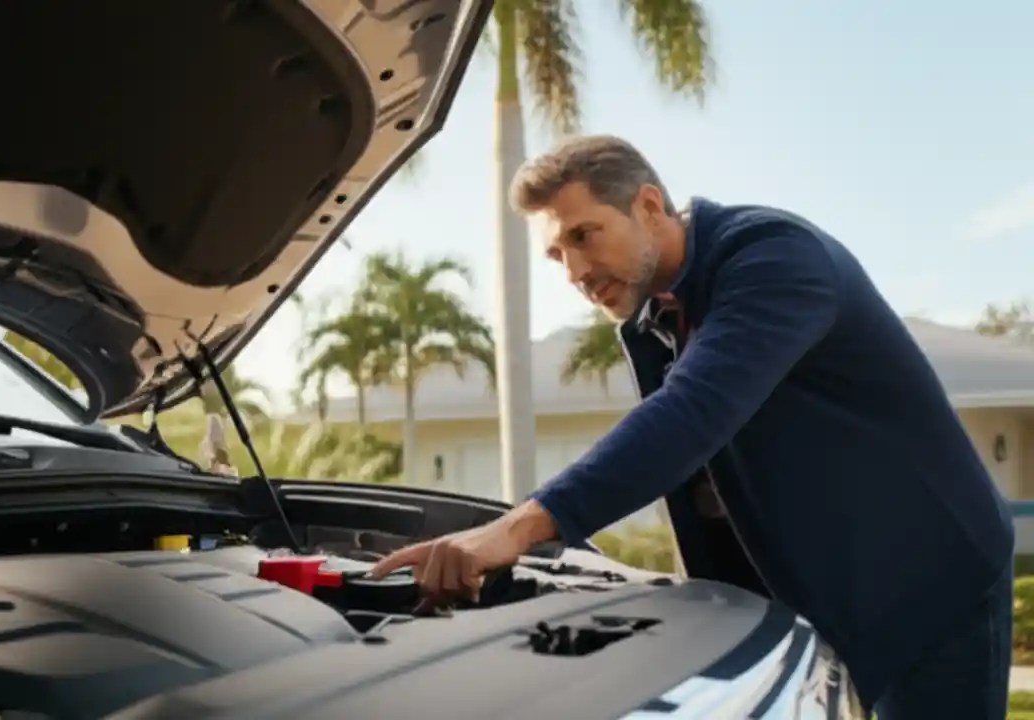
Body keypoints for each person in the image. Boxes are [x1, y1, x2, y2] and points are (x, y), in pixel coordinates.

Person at [368, 134, 1015, 719]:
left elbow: (688, 419)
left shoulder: (774, 261)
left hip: (934, 574)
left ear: (649, 205)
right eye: (557, 253)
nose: (574, 272)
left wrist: (514, 531)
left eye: (585, 235)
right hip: (828, 586)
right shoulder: (659, 313)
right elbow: (707, 483)